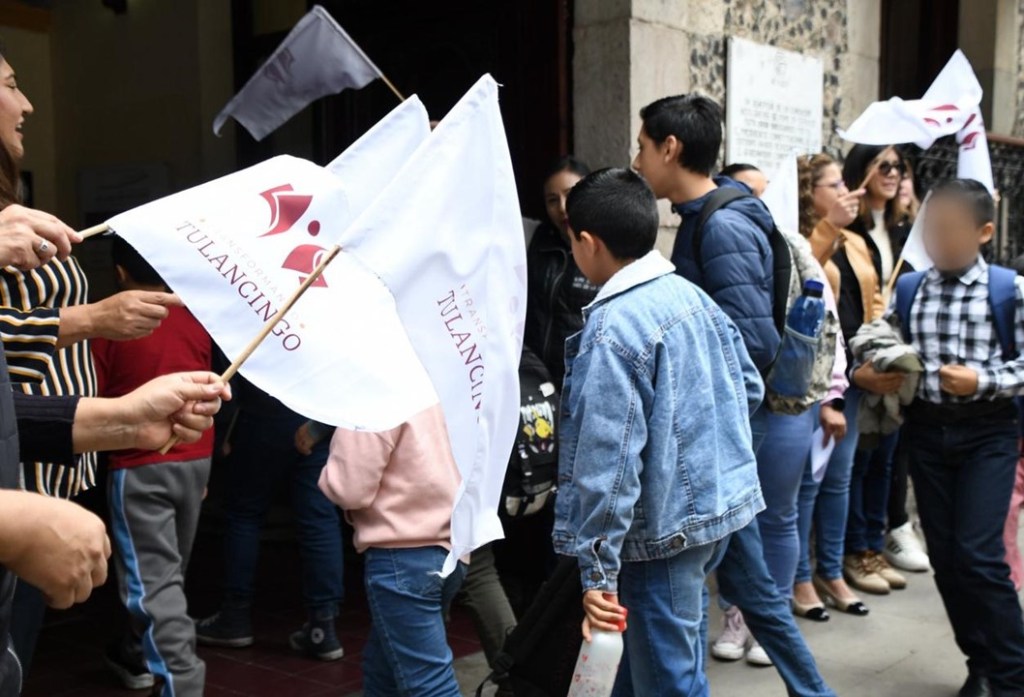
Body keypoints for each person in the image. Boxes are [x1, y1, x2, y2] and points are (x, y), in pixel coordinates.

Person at [633, 93, 834, 697]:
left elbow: (751, 343)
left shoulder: (720, 225)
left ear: (671, 148)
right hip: (727, 431)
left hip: (726, 433)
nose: (638, 161)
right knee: (750, 589)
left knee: (684, 590)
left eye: (642, 147)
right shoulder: (713, 216)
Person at [0, 50, 182, 673]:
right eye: (11, 85)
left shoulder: (17, 210)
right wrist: (93, 320)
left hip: (43, 457)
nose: (27, 105)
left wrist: (120, 420)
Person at [552, 167, 764, 695]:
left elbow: (608, 462)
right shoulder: (693, 297)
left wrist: (596, 573)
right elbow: (748, 388)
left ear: (586, 242)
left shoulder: (613, 325)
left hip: (656, 536)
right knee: (651, 667)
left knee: (671, 681)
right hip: (709, 514)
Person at [872, 179, 1024, 697]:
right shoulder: (912, 288)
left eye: (951, 230)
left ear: (983, 232)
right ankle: (979, 661)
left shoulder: (1009, 290)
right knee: (947, 557)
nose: (939, 240)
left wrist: (981, 380)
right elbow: (883, 344)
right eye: (931, 229)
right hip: (927, 432)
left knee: (979, 555)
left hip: (989, 432)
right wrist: (867, 371)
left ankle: (1011, 674)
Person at [91, 237, 214, 695]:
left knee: (152, 583)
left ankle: (180, 682)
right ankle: (136, 653)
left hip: (138, 464)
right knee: (167, 572)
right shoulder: (196, 315)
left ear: (120, 273)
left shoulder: (109, 323)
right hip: (195, 457)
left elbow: (94, 391)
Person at [319, 404, 465, 696]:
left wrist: (327, 472)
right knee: (381, 670)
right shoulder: (444, 373)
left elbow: (348, 488)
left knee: (431, 685)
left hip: (404, 555)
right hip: (452, 548)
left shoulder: (376, 390)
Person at [195, 383, 345, 661]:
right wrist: (319, 429)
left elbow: (231, 375)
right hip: (316, 414)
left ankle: (235, 617)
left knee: (244, 514)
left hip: (264, 412)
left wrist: (220, 437)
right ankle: (323, 626)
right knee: (319, 518)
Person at [841, 145, 928, 594]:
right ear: (862, 170)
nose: (893, 174)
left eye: (900, 167)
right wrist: (858, 366)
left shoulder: (903, 231)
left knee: (887, 457)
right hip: (861, 358)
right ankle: (856, 549)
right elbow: (843, 304)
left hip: (898, 355)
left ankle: (875, 543)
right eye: (884, 165)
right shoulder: (847, 233)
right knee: (860, 458)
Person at [794, 153, 875, 619]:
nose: (847, 191)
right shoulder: (803, 238)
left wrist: (872, 354)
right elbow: (807, 278)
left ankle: (832, 569)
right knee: (809, 482)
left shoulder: (854, 241)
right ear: (810, 192)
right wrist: (827, 228)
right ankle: (801, 578)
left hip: (853, 377)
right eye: (833, 184)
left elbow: (871, 301)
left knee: (838, 483)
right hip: (819, 383)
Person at [523, 155, 599, 386]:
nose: (563, 208)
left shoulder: (607, 248)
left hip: (583, 386)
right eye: (552, 200)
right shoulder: (534, 238)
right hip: (536, 384)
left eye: (570, 193)